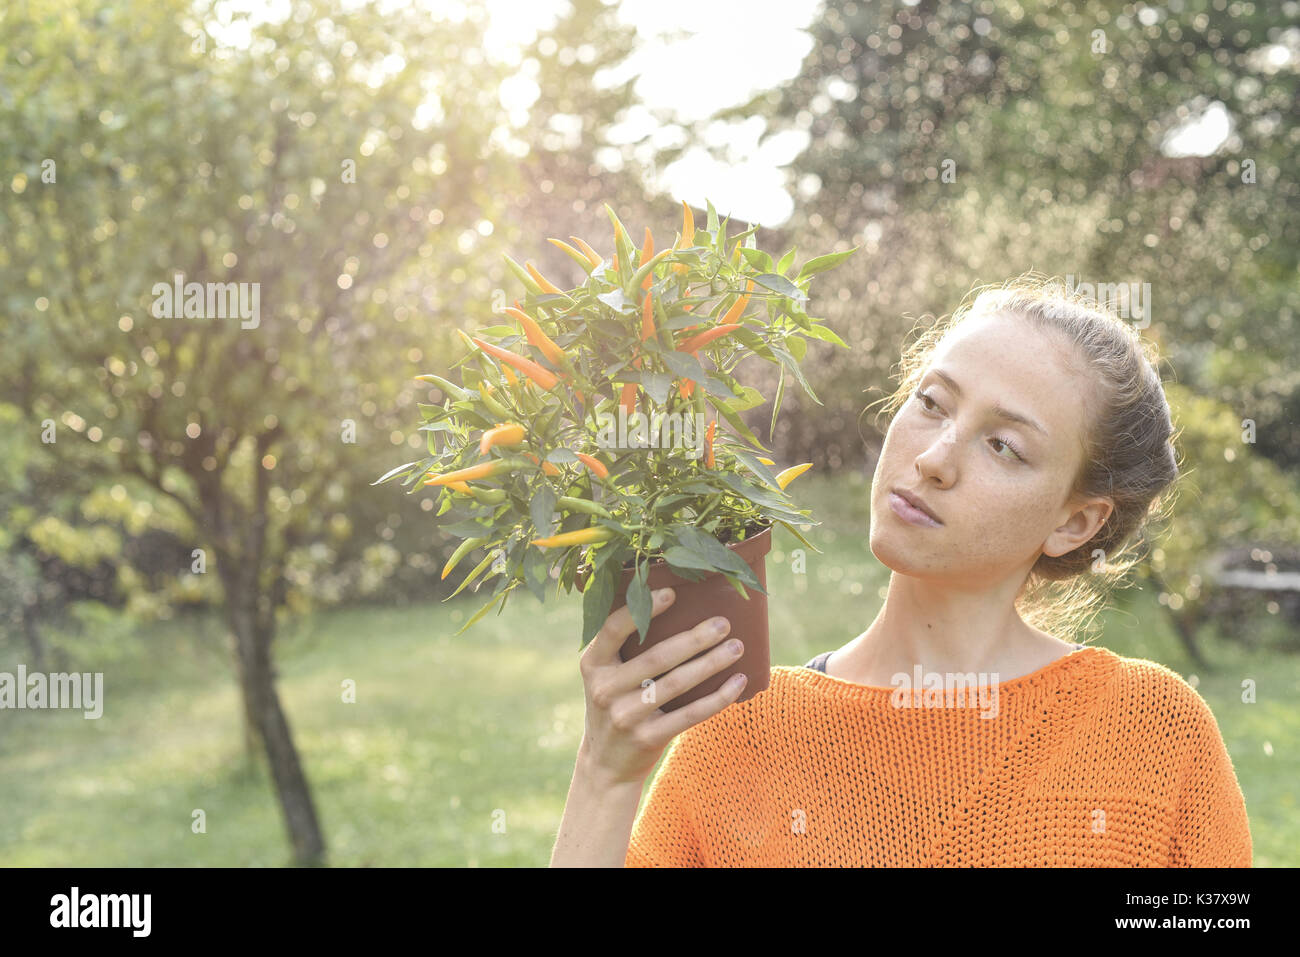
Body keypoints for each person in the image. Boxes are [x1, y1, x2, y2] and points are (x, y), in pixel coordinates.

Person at [549, 275, 1252, 867]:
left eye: (1003, 446)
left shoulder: (1155, 733)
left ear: (1075, 522)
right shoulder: (736, 732)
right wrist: (604, 777)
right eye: (932, 403)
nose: (934, 457)